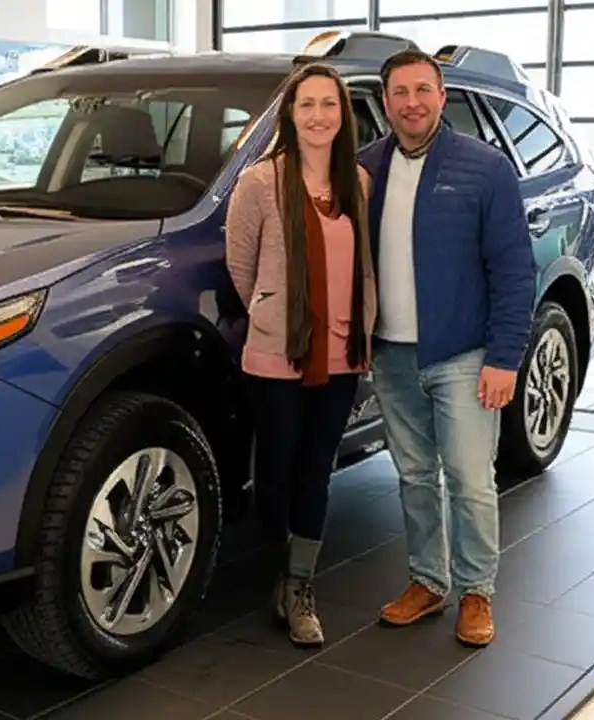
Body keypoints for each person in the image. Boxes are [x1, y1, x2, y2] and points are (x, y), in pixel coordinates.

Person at [356, 49, 536, 647]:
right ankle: (428, 581)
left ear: (441, 95)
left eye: (423, 91)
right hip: (392, 354)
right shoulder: (365, 169)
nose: (412, 103)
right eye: (400, 92)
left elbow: (514, 271)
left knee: (468, 478)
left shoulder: (483, 168)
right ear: (385, 102)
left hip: (462, 351)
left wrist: (505, 357)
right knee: (412, 476)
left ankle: (477, 591)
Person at [225, 63, 377, 647]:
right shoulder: (262, 181)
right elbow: (241, 266)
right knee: (275, 475)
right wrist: (274, 311)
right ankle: (283, 568)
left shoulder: (356, 182)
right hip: (278, 352)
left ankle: (298, 585)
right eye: (307, 104)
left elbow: (361, 263)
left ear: (343, 114)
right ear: (291, 114)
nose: (319, 116)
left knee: (317, 470)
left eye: (330, 105)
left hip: (342, 351)